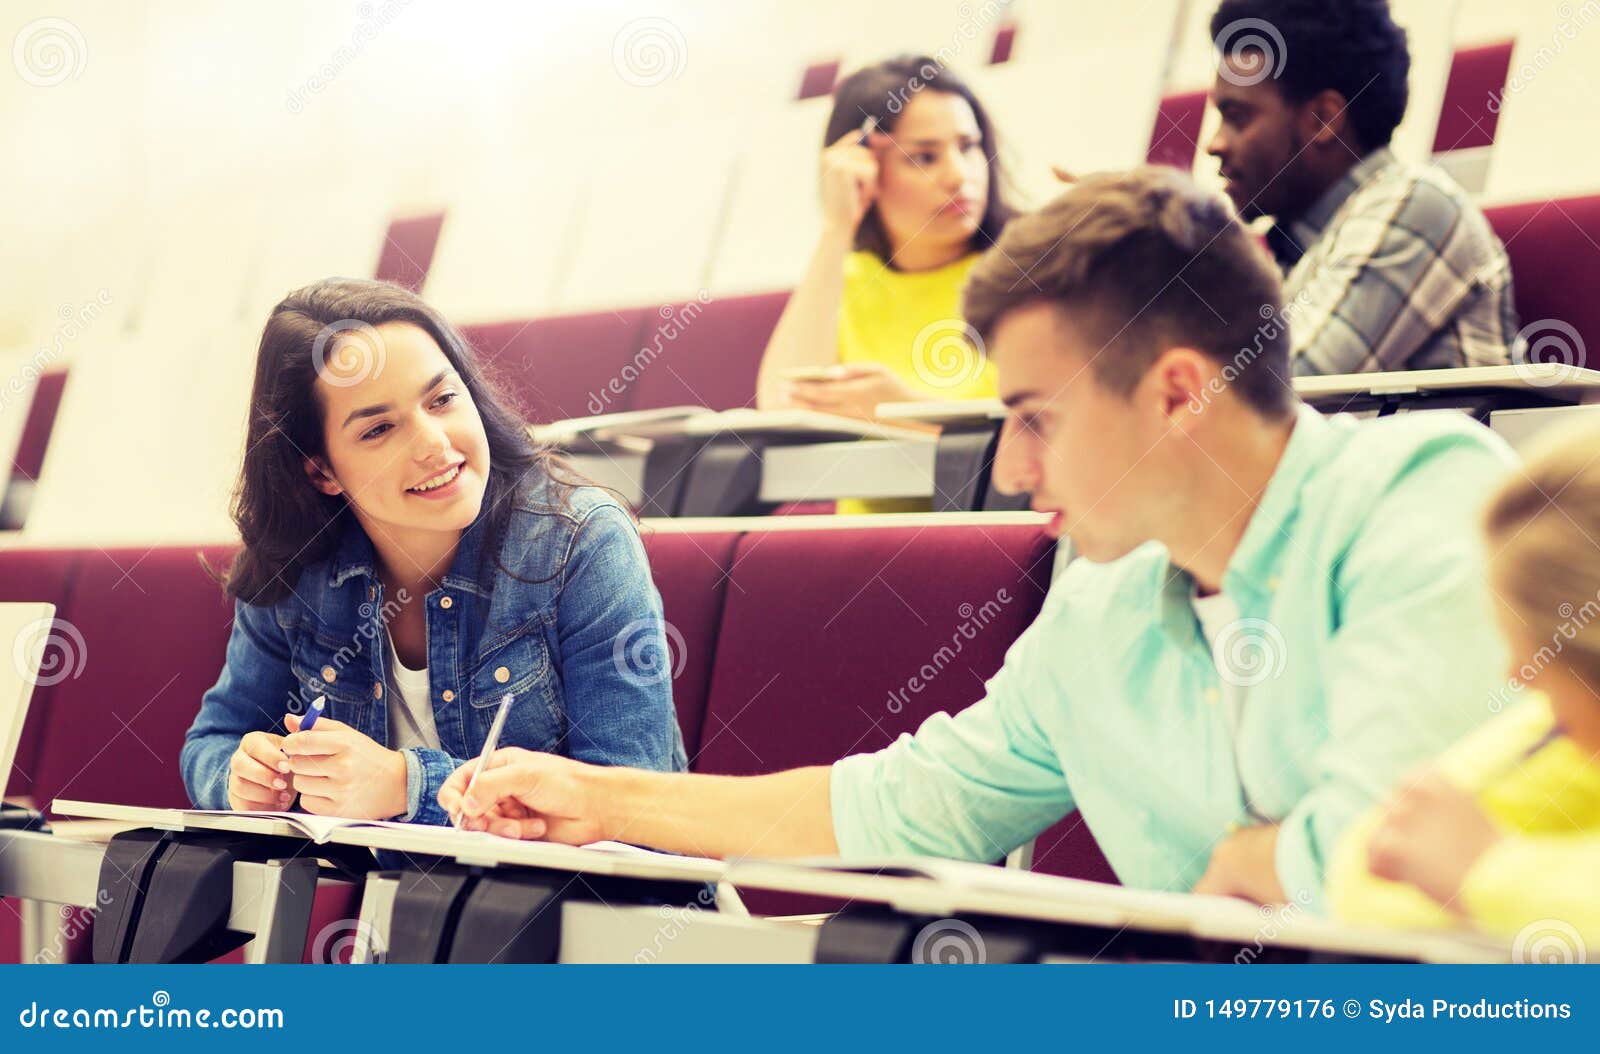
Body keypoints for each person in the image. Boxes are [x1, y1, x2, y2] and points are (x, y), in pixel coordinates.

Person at [440, 168, 1515, 911]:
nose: (1009, 468)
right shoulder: (1101, 602)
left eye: (1037, 416)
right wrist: (597, 800)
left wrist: (1265, 857)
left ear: (1180, 394)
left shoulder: (1431, 504)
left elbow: (1394, 870)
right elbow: (905, 804)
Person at [181, 278, 685, 826]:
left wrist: (406, 785)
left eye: (442, 399)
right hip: (383, 908)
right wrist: (241, 778)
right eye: (379, 429)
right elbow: (213, 740)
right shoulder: (297, 564)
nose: (435, 444)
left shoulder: (582, 543)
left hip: (576, 909)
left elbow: (636, 807)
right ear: (321, 470)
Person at [1328, 424, 1600, 942]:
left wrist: (1483, 872)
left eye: (1539, 654)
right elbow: (1367, 872)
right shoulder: (1568, 736)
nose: (1517, 676)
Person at [755, 55, 1016, 512]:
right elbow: (781, 407)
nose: (960, 174)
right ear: (868, 169)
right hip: (869, 552)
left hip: (1003, 546)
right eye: (925, 156)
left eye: (969, 146)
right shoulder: (847, 277)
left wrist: (898, 411)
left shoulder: (1035, 266)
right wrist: (838, 226)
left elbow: (1051, 437)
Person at [1206, 0, 1518, 375]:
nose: (1215, 143)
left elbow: (1272, 396)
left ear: (1324, 119)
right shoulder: (1297, 245)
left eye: (1236, 118)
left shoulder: (1414, 205)